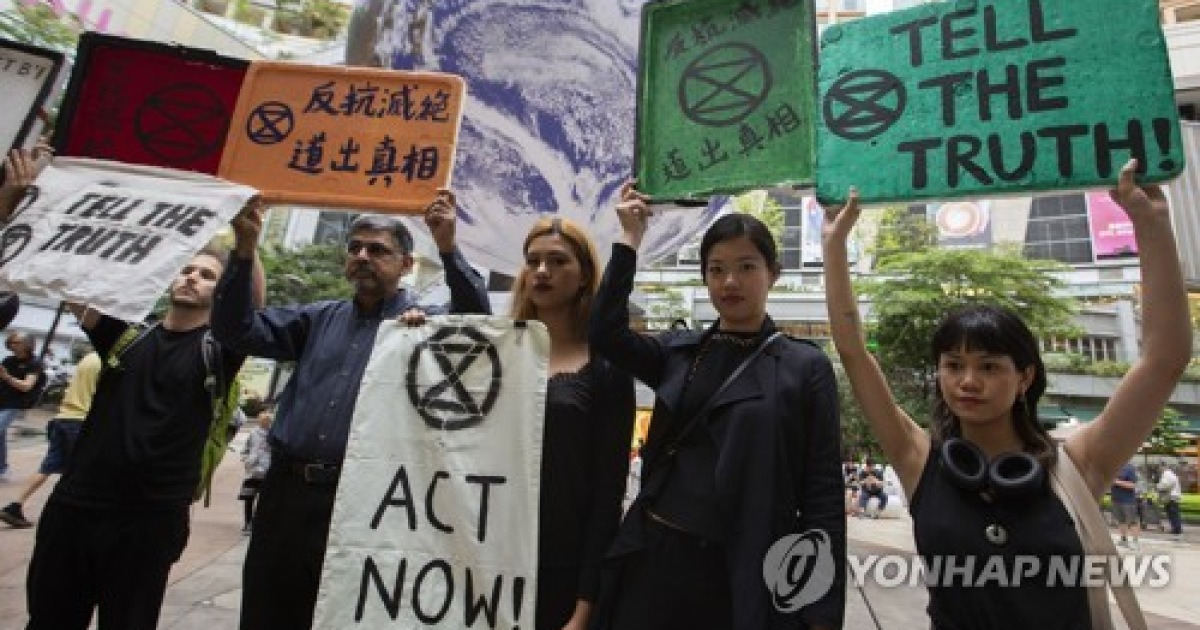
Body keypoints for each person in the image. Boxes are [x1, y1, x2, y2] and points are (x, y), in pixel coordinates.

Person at [821, 160, 1191, 628]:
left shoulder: (1078, 466)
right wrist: (834, 249)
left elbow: (1165, 360)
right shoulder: (918, 461)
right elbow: (854, 353)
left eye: (990, 367)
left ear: (1025, 377)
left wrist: (1152, 225)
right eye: (953, 366)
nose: (967, 381)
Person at [213, 190, 492, 630]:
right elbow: (235, 329)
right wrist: (245, 248)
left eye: (378, 250)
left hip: (366, 499)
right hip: (286, 495)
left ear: (406, 265)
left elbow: (477, 319)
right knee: (269, 607)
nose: (362, 256)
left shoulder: (424, 325)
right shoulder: (316, 318)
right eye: (355, 247)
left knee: (344, 612)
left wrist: (448, 246)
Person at [587, 182, 845, 630]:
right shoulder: (679, 352)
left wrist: (819, 610)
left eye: (746, 266)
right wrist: (629, 238)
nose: (730, 281)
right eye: (716, 269)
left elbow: (821, 492)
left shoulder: (805, 367)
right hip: (655, 561)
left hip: (743, 570)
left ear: (773, 273)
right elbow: (605, 333)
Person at [22, 194, 266, 629]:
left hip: (151, 519)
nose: (192, 278)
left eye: (207, 275)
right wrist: (27, 206)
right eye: (187, 270)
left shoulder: (220, 349)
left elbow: (253, 310)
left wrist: (247, 244)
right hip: (75, 507)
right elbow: (72, 282)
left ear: (222, 291)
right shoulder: (126, 336)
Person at [507, 216, 635, 630]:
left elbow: (607, 491)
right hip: (485, 558)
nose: (542, 271)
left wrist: (584, 606)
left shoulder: (608, 367)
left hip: (561, 569)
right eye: (533, 261)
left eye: (558, 261)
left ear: (584, 277)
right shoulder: (491, 352)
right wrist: (413, 333)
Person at [0, 349, 100, 528]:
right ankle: (68, 517)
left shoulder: (88, 359)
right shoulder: (106, 361)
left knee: (47, 468)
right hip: (80, 422)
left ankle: (15, 505)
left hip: (63, 418)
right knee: (81, 472)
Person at [0, 331, 45, 480]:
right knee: (1, 434)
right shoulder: (8, 360)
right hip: (2, 399)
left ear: (28, 344)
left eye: (18, 342)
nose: (14, 345)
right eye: (12, 342)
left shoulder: (34, 363)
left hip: (16, 403)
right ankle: (2, 468)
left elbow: (27, 386)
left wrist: (7, 377)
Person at [239, 407, 273, 534]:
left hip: (267, 472)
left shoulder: (274, 435)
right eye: (263, 420)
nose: (265, 422)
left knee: (264, 500)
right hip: (252, 472)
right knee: (249, 499)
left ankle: (259, 523)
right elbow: (245, 449)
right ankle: (248, 523)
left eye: (268, 420)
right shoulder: (253, 433)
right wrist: (247, 460)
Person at [1110, 461, 1140, 548]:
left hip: (1128, 501)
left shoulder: (1129, 468)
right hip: (1116, 499)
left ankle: (1135, 542)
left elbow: (1132, 485)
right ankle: (1123, 539)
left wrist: (1116, 482)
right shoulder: (1114, 468)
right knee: (1121, 520)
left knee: (1132, 521)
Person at [1155, 463, 1183, 538]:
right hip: (1172, 497)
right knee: (1172, 513)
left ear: (1163, 467)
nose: (1159, 469)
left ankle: (1177, 529)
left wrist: (1158, 486)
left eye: (1159, 467)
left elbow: (1166, 485)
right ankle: (1175, 528)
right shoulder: (1169, 474)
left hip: (1171, 497)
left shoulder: (1167, 474)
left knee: (1173, 513)